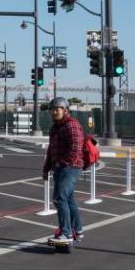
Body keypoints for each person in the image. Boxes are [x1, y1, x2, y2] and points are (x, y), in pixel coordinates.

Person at [42, 97, 85, 242]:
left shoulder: (71, 125)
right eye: (52, 110)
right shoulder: (55, 127)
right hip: (60, 167)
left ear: (65, 110)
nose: (54, 112)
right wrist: (46, 168)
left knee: (60, 198)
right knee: (69, 199)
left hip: (70, 167)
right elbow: (51, 150)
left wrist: (62, 163)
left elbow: (76, 147)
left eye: (57, 109)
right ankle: (77, 230)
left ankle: (65, 233)